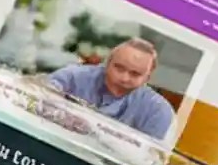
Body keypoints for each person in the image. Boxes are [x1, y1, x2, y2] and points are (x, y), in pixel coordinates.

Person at [45, 37, 176, 141]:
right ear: (107, 64)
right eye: (119, 68)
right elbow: (39, 94)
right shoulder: (73, 76)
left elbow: (147, 159)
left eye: (135, 74)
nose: (124, 78)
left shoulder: (158, 111)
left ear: (147, 78)